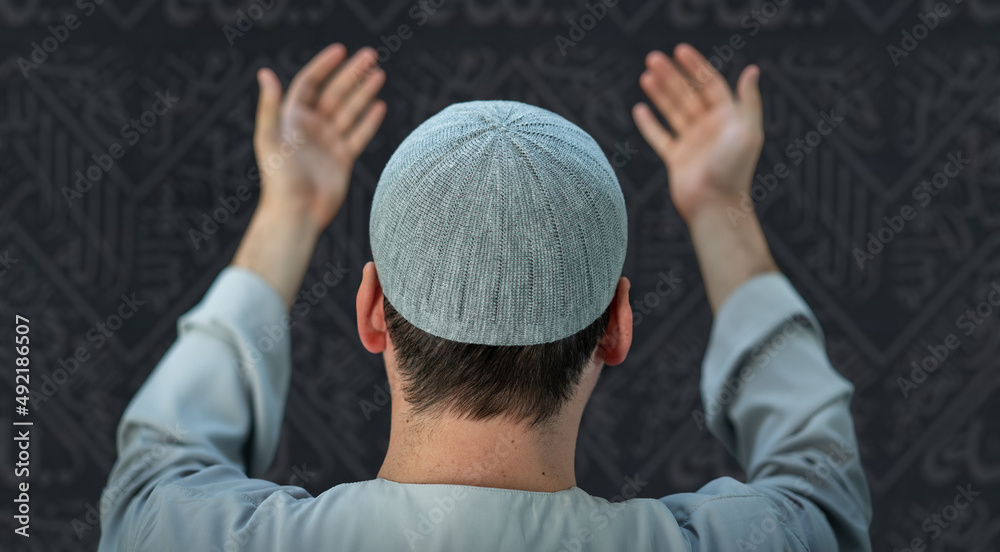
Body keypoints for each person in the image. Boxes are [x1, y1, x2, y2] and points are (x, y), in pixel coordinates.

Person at [97, 41, 873, 551]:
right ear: (617, 326)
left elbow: (157, 459)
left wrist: (289, 211)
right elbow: (823, 480)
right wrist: (719, 206)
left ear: (371, 312)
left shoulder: (187, 535)